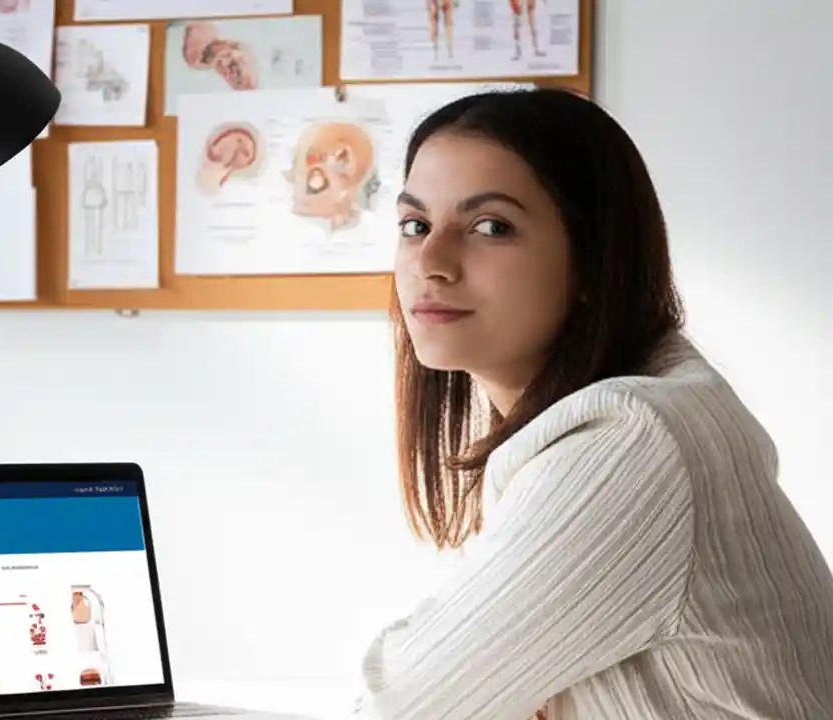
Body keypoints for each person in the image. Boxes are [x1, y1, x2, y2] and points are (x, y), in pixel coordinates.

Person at [354, 87, 833, 719]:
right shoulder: (625, 413)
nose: (431, 262)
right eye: (415, 225)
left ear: (592, 262)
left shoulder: (632, 442)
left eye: (491, 227)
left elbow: (404, 706)